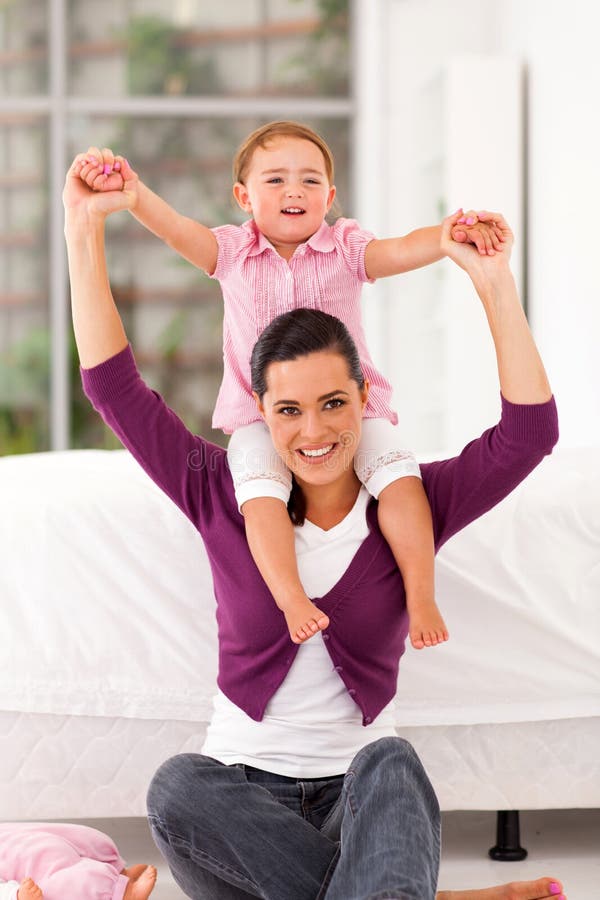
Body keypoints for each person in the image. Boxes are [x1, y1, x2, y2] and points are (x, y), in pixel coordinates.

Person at [64, 154, 564, 900]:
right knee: (176, 787)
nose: (315, 431)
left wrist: (492, 283)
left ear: (364, 398)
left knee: (392, 765)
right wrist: (82, 228)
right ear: (259, 413)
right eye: (289, 410)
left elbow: (529, 435)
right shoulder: (218, 489)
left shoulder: (413, 504)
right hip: (239, 813)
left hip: (363, 802)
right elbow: (114, 388)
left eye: (334, 403)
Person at [74, 120, 505, 650]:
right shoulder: (231, 251)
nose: (294, 191)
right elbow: (176, 228)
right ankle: (289, 597)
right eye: (275, 180)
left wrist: (443, 238)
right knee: (258, 495)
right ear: (243, 196)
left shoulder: (346, 246)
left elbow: (398, 250)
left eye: (309, 179)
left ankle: (420, 595)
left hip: (352, 409)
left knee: (400, 478)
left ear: (331, 195)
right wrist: (135, 197)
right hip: (259, 417)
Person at [0, 822, 157, 900]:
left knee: (85, 839)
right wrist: (16, 895)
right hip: (30, 872)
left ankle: (121, 875)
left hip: (20, 843)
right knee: (65, 883)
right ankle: (126, 894)